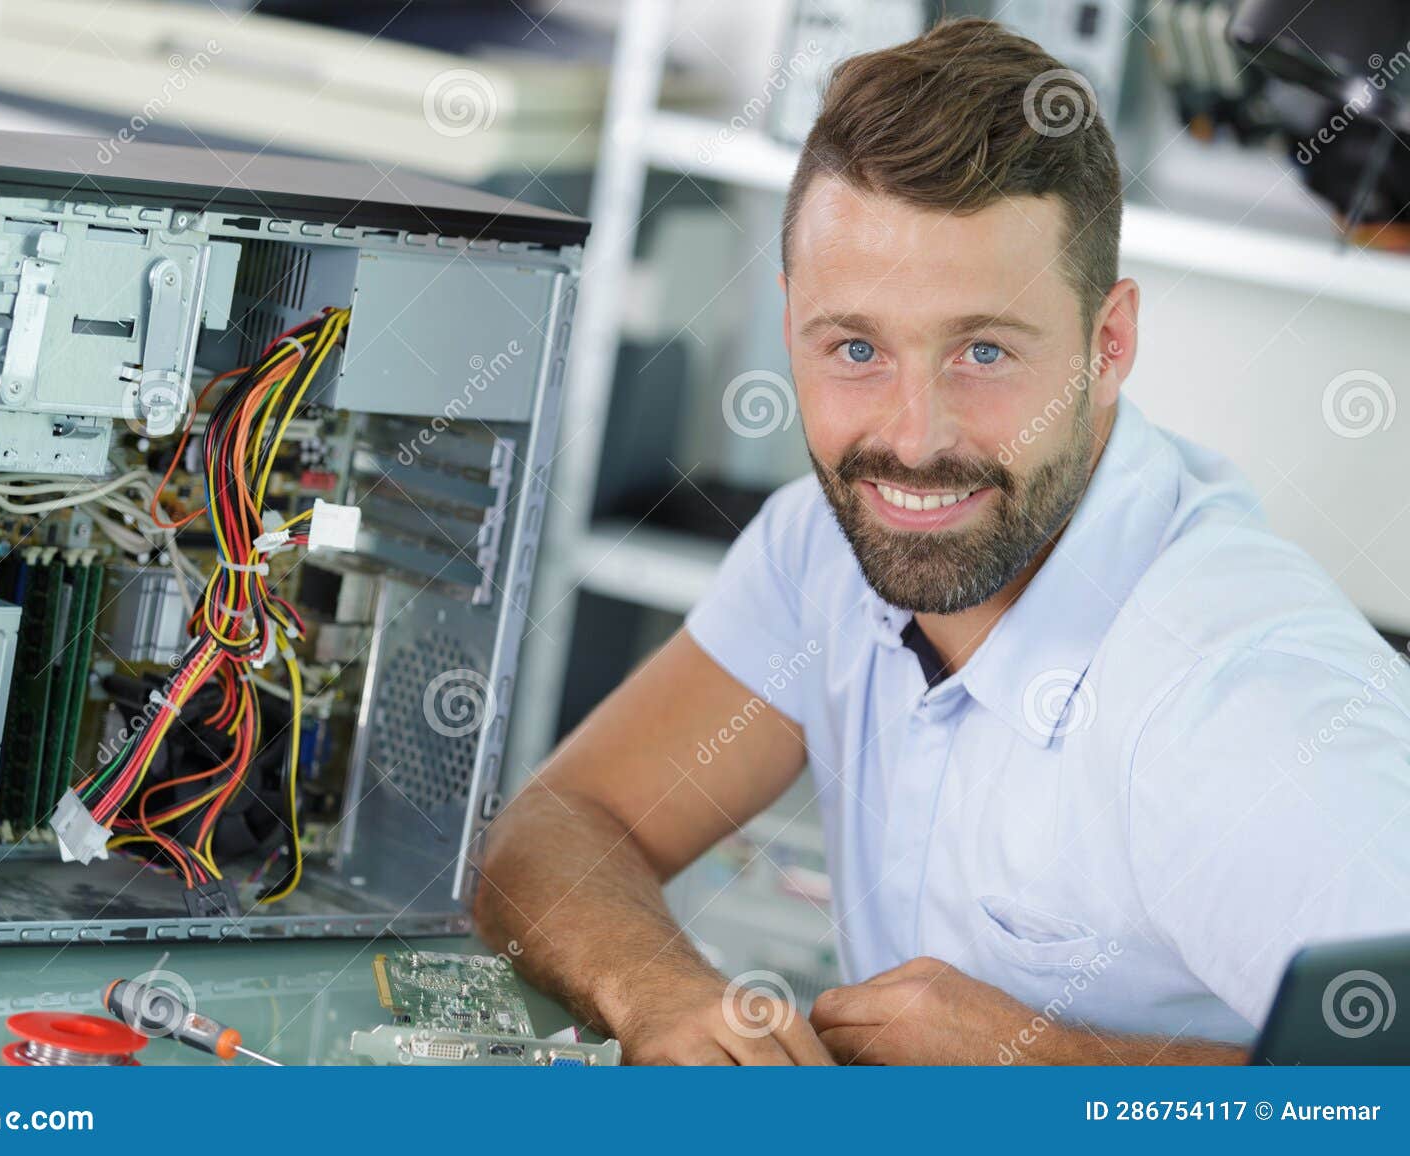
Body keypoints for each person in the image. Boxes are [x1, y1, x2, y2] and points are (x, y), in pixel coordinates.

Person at [475, 16, 1410, 1065]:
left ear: (1109, 344)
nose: (913, 441)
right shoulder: (818, 550)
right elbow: (560, 821)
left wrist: (1047, 1065)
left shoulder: (1242, 698)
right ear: (792, 327)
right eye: (857, 348)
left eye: (982, 349)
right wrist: (659, 996)